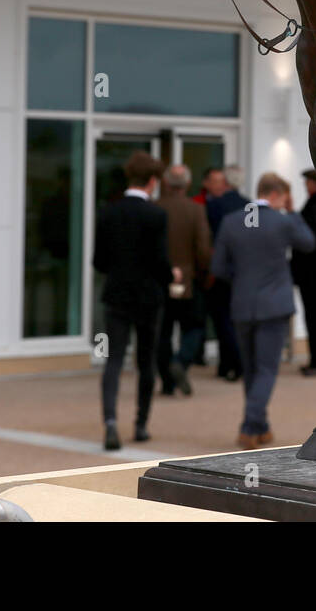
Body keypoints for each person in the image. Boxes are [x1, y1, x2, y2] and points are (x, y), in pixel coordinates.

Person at [210, 172, 316, 449]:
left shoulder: (232, 221)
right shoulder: (282, 222)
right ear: (278, 194)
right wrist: (292, 213)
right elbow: (308, 243)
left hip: (242, 304)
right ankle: (249, 425)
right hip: (274, 305)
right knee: (267, 370)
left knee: (251, 369)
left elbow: (218, 268)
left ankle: (261, 426)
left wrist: (243, 279)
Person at [92, 151, 179, 450]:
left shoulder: (108, 211)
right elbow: (160, 260)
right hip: (148, 296)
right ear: (152, 181)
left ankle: (111, 422)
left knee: (113, 360)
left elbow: (99, 261)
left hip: (116, 294)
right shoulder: (156, 215)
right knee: (146, 361)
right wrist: (172, 276)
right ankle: (141, 424)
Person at [155, 164, 212, 397]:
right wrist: (203, 273)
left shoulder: (155, 207)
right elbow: (203, 248)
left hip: (159, 280)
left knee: (163, 332)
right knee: (194, 327)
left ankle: (167, 382)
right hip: (188, 280)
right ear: (187, 184)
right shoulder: (195, 210)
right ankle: (181, 361)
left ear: (166, 183)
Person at [201, 166, 247, 381]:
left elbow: (210, 238)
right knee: (237, 319)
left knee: (223, 320)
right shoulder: (249, 206)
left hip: (221, 270)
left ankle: (232, 363)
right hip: (243, 270)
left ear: (225, 183)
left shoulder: (215, 205)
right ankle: (230, 363)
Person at [290, 168, 316, 375]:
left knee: (314, 318)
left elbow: (311, 238)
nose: (306, 185)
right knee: (313, 317)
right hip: (313, 272)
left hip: (313, 272)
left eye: (308, 182)